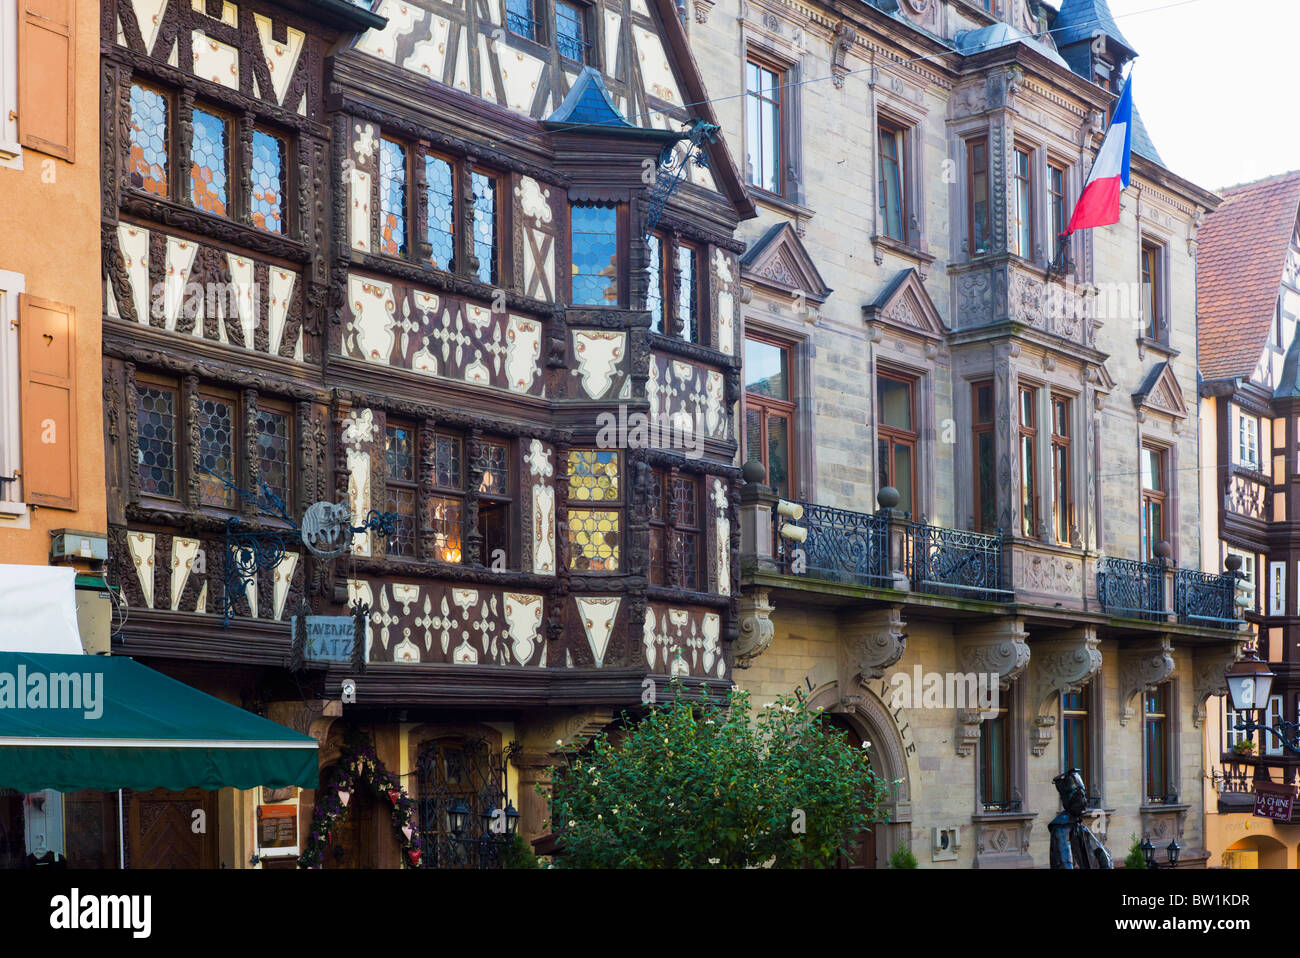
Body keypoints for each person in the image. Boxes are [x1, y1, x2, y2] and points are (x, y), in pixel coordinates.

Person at [1049, 769, 1113, 869]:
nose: (1085, 802)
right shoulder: (1061, 828)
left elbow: (1101, 852)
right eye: (1080, 798)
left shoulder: (1079, 827)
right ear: (1070, 801)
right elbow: (1065, 862)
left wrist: (1106, 864)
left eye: (1084, 796)